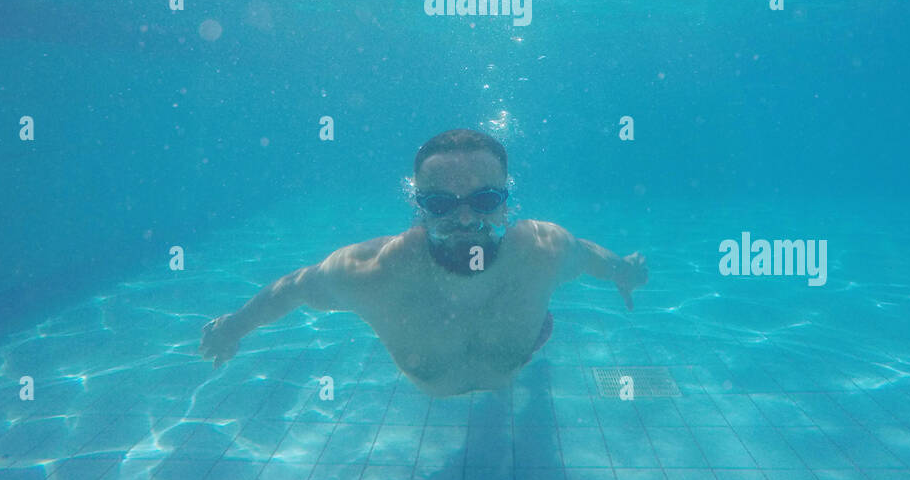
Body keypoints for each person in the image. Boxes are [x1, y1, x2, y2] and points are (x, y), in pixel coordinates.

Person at [199, 128, 648, 397]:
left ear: (506, 203)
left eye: (485, 199)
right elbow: (295, 287)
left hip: (518, 350)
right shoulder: (371, 273)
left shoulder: (541, 252)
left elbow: (589, 255)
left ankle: (537, 330)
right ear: (418, 207)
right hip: (465, 368)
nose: (466, 218)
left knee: (537, 325)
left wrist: (624, 271)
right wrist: (231, 329)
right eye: (440, 204)